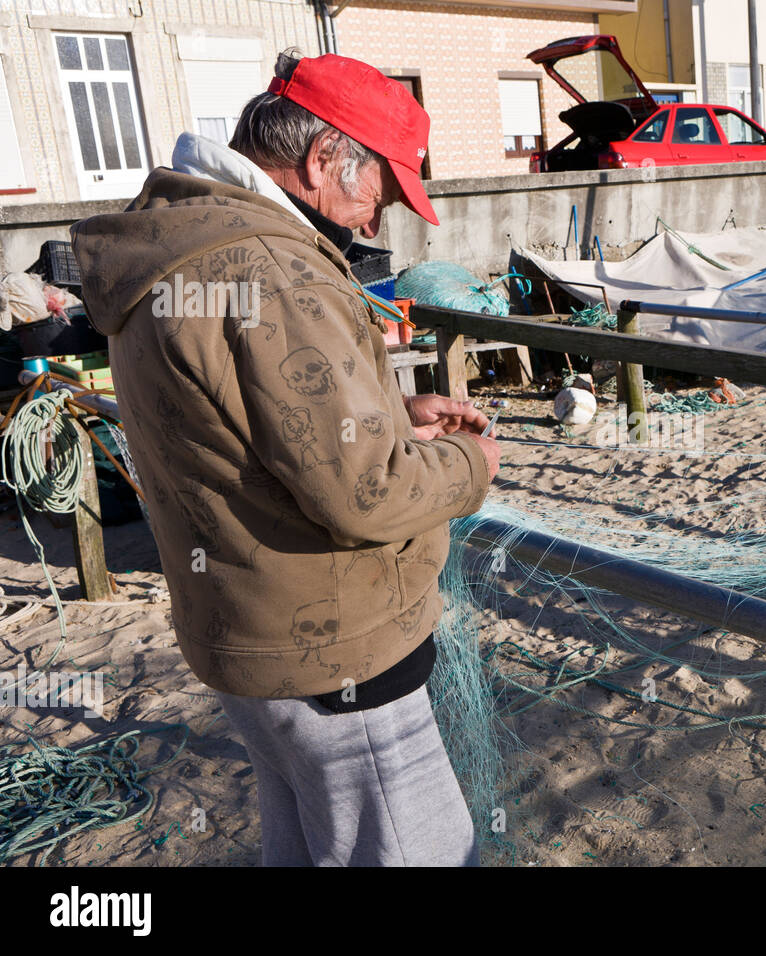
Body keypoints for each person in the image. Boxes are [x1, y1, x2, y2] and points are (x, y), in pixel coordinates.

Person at [70, 51, 499, 866]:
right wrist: (474, 465)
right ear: (324, 159)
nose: (375, 223)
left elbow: (233, 419)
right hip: (337, 646)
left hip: (244, 634)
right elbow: (367, 493)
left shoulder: (177, 241)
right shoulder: (270, 271)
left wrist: (386, 414)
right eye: (380, 191)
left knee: (309, 843)